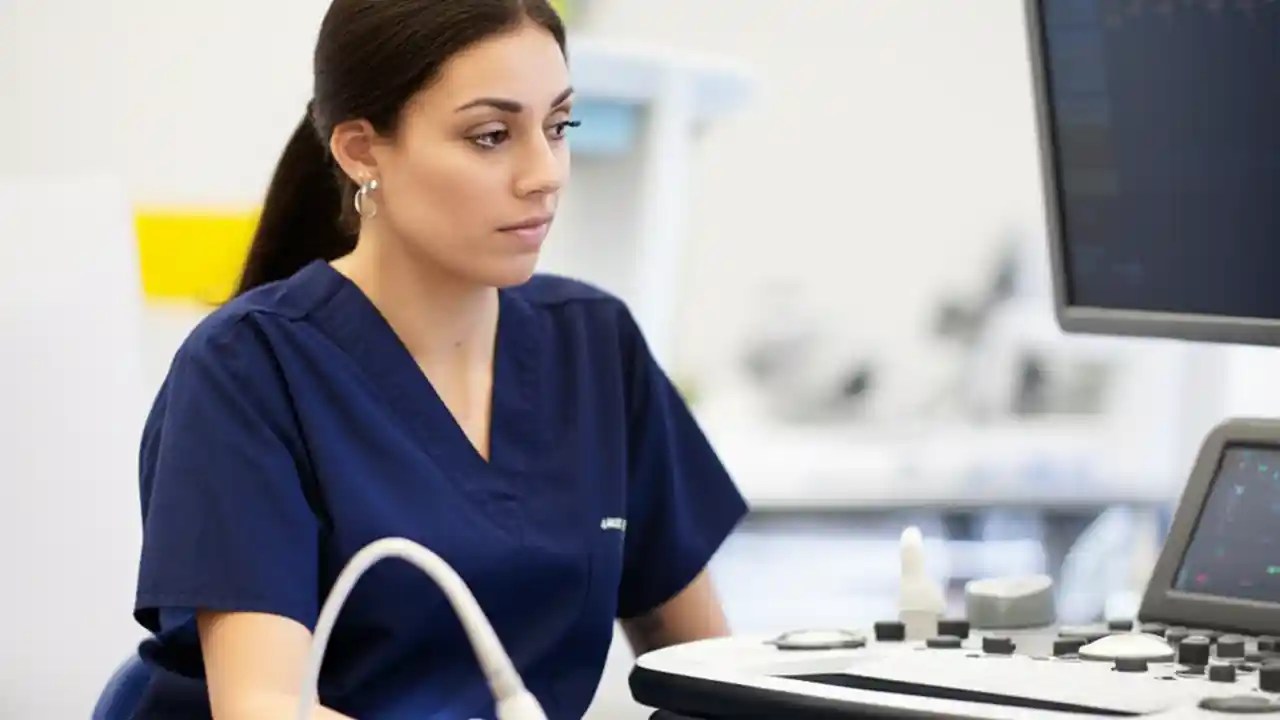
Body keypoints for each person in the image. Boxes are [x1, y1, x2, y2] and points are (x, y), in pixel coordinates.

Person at [129, 0, 748, 718]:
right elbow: (263, 707)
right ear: (361, 150)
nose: (544, 174)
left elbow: (710, 677)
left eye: (558, 127)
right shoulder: (248, 369)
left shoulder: (594, 346)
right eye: (491, 136)